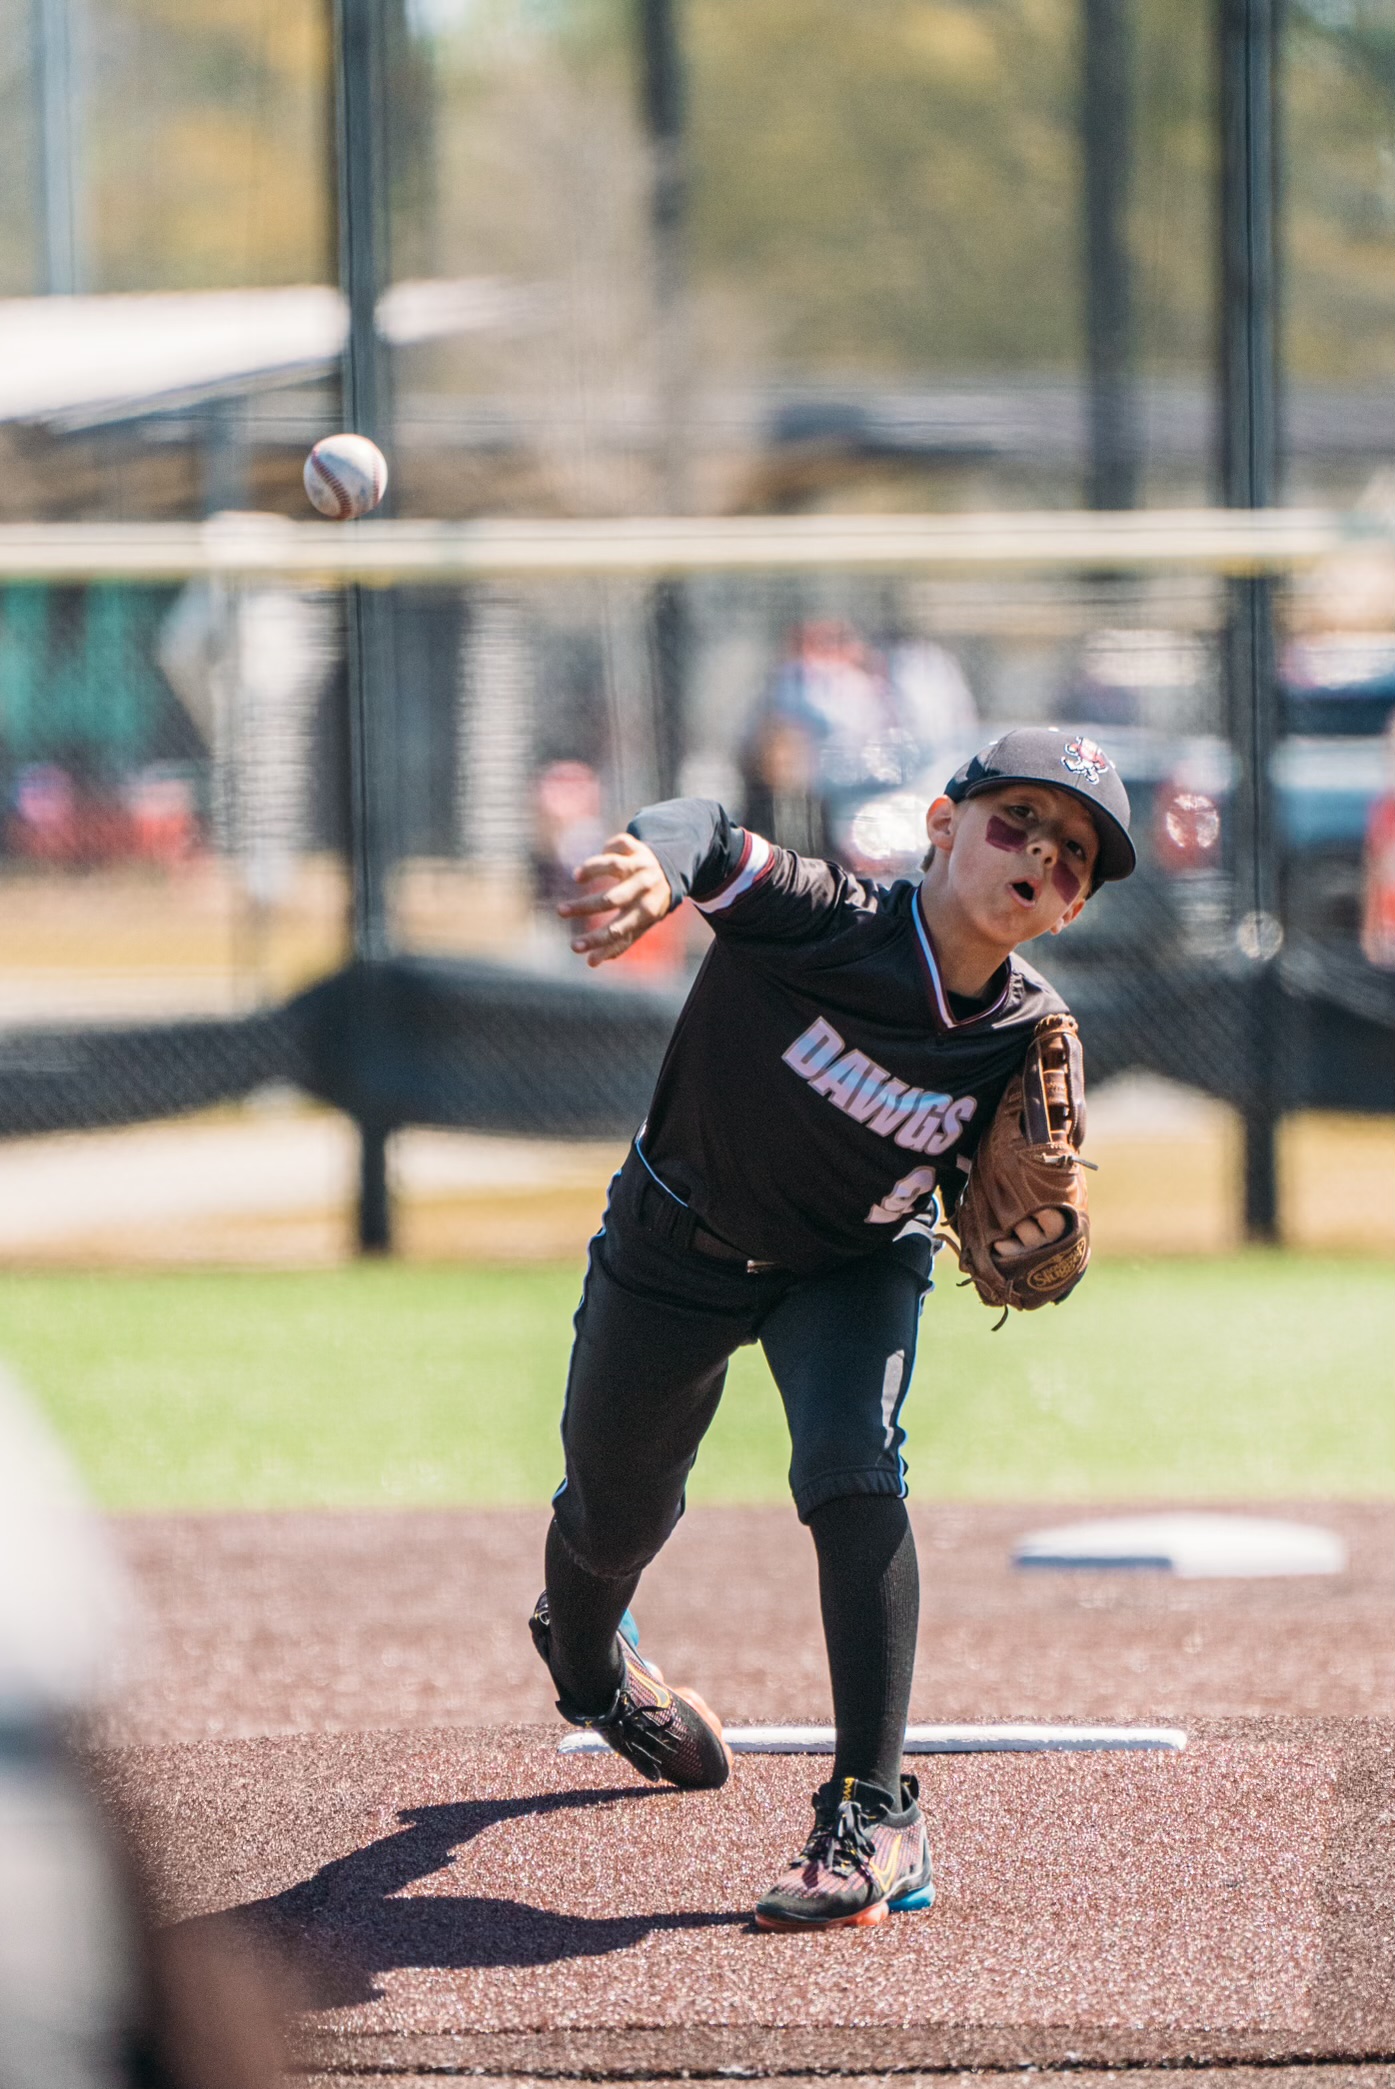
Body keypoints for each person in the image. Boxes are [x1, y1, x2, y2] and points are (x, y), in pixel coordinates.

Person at [529, 727, 1136, 1933]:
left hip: (852, 1264)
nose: (1043, 855)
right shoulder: (827, 916)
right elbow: (703, 825)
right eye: (1019, 819)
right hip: (676, 1242)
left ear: (1069, 911)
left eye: (1073, 856)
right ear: (943, 825)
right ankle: (591, 1667)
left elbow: (1013, 1201)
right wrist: (657, 866)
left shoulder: (1023, 1032)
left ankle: (876, 1813)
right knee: (615, 1514)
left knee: (854, 1469)